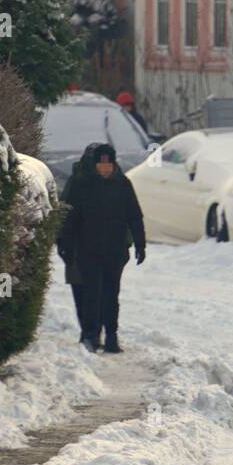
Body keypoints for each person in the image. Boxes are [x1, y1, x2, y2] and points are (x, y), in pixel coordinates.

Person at [57, 142, 146, 353]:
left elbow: (134, 215)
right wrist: (65, 244)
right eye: (101, 166)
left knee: (111, 294)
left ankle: (112, 335)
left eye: (109, 166)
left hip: (115, 250)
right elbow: (68, 217)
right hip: (87, 250)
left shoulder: (122, 184)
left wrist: (140, 244)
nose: (105, 170)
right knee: (90, 293)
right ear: (93, 165)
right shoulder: (80, 185)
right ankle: (91, 334)